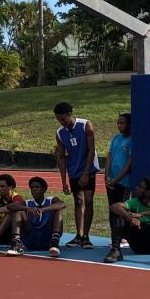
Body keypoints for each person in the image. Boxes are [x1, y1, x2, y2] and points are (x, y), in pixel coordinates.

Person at [54, 101, 100, 248]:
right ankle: (79, 235)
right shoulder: (60, 133)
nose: (62, 122)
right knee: (78, 201)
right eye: (58, 120)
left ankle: (86, 236)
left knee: (88, 200)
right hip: (73, 170)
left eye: (63, 119)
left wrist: (86, 172)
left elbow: (91, 149)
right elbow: (61, 157)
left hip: (88, 168)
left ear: (70, 114)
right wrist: (63, 181)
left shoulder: (86, 125)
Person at [105, 176, 150, 266]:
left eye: (140, 187)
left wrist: (142, 214)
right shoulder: (135, 202)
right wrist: (130, 218)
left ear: (148, 192)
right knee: (118, 213)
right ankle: (116, 251)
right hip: (137, 244)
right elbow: (114, 207)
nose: (136, 188)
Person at [3, 177, 65, 257]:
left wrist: (44, 209)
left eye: (37, 187)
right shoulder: (28, 203)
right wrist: (27, 209)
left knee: (58, 209)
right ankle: (16, 244)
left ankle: (54, 242)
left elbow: (62, 204)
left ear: (44, 190)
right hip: (31, 239)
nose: (34, 189)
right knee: (18, 210)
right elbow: (10, 206)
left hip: (47, 239)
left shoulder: (51, 200)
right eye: (32, 188)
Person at [104, 112, 134, 255]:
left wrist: (116, 179)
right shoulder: (116, 138)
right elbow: (109, 156)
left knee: (121, 209)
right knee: (112, 209)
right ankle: (115, 236)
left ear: (130, 125)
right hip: (111, 181)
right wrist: (107, 176)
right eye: (118, 123)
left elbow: (129, 162)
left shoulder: (132, 140)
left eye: (122, 123)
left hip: (123, 182)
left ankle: (123, 236)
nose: (119, 125)